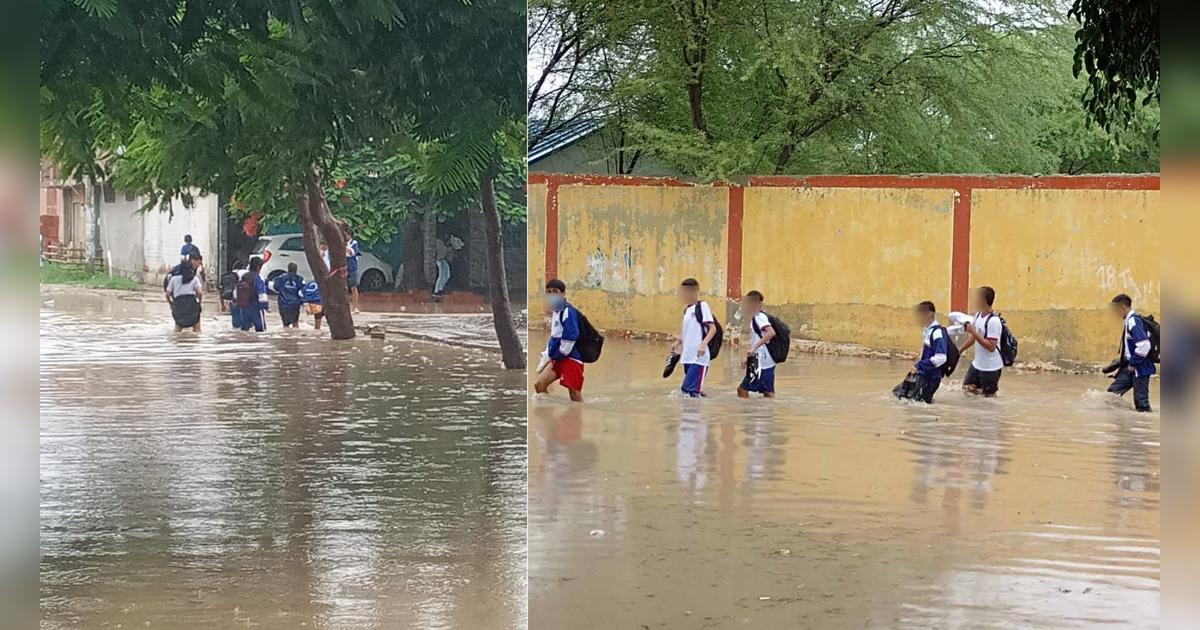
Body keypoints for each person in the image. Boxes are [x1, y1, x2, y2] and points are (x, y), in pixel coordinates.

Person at [534, 279, 585, 402]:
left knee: (574, 394)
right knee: (539, 385)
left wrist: (561, 353)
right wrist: (548, 354)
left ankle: (576, 417)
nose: (552, 295)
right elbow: (555, 336)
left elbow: (572, 334)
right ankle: (548, 416)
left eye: (555, 291)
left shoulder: (567, 311)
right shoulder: (556, 312)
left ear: (562, 294)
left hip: (571, 358)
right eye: (549, 292)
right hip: (558, 358)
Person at [1107, 293, 1155, 412]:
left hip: (1139, 367)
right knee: (1110, 395)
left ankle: (1143, 428)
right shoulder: (1129, 321)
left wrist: (1133, 363)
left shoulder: (1133, 321)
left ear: (1122, 307)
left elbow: (1144, 345)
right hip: (1130, 367)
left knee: (1141, 404)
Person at [671, 278, 716, 398]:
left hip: (699, 357)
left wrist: (703, 344)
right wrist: (679, 341)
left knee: (688, 390)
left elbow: (712, 328)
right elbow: (690, 330)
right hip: (687, 356)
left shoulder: (702, 306)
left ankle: (693, 416)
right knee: (692, 392)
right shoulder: (687, 309)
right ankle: (691, 415)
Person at [959, 286, 1004, 397]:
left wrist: (974, 332)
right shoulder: (978, 315)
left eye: (977, 297)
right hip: (977, 364)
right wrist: (959, 350)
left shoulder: (994, 321)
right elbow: (975, 337)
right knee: (967, 388)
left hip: (991, 367)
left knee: (989, 399)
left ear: (983, 300)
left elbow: (991, 347)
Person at [905, 300, 948, 404]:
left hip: (931, 379)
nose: (918, 318)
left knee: (919, 404)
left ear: (930, 315)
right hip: (924, 376)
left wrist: (920, 365)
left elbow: (941, 357)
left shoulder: (937, 332)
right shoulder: (927, 330)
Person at [738, 290, 776, 398]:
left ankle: (748, 413)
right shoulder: (760, 317)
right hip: (766, 359)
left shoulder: (759, 317)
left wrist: (753, 348)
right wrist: (748, 357)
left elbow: (771, 333)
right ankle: (767, 412)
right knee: (767, 391)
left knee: (742, 389)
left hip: (760, 360)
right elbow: (757, 338)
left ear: (759, 304)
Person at [165, 252, 204, 332]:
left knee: (178, 327)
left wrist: (171, 303)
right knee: (197, 329)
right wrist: (199, 303)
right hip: (192, 305)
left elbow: (167, 294)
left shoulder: (174, 279)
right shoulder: (195, 279)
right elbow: (200, 293)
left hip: (178, 305)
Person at [233, 256, 269, 332]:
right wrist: (265, 306)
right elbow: (262, 294)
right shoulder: (258, 278)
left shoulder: (243, 276)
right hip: (256, 308)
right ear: (258, 267)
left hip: (243, 308)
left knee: (244, 331)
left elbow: (236, 292)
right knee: (261, 332)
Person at [272, 262, 305, 329]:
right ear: (296, 269)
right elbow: (302, 291)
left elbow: (275, 287)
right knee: (295, 323)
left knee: (285, 324)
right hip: (295, 305)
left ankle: (286, 337)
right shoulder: (299, 279)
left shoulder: (280, 278)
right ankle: (295, 337)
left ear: (288, 269)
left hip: (283, 304)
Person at [344, 229, 362, 313]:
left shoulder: (354, 243)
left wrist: (346, 248)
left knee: (353, 287)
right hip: (343, 267)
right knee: (344, 288)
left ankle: (355, 307)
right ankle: (345, 307)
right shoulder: (341, 243)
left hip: (352, 268)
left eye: (346, 234)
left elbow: (353, 252)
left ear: (350, 235)